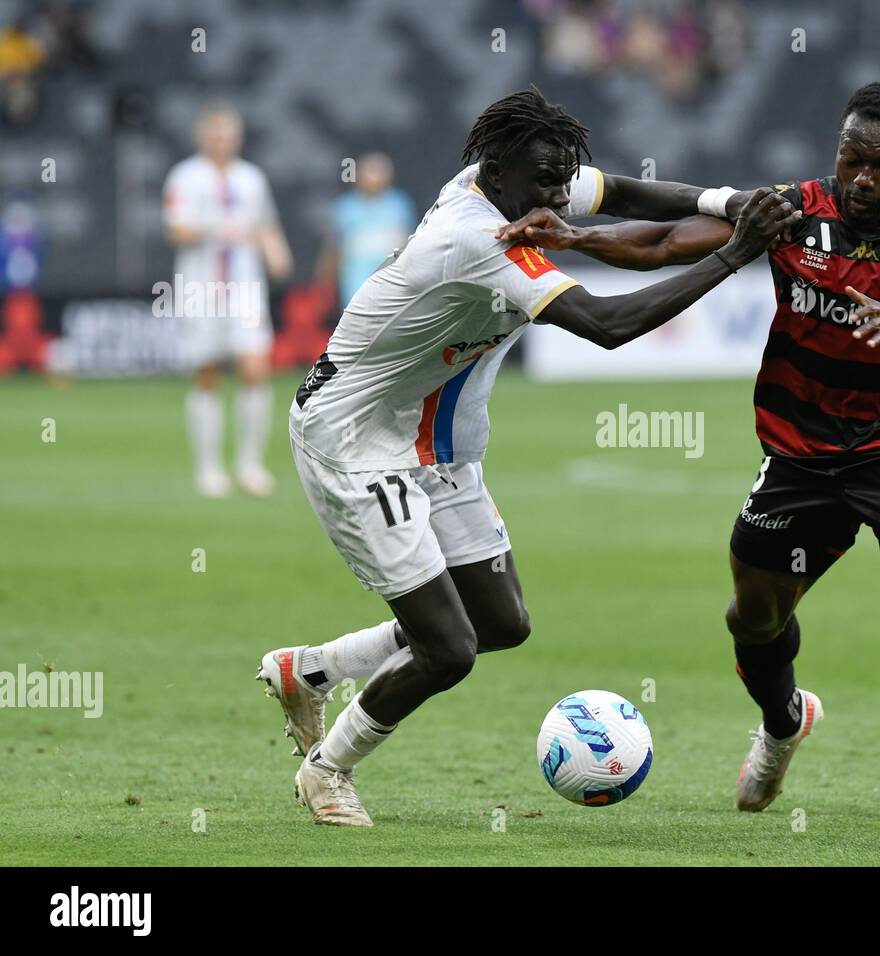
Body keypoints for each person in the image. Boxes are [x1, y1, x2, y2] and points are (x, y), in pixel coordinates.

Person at [501, 82, 880, 829]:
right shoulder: (793, 211)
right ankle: (782, 722)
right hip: (800, 459)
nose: (862, 178)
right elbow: (667, 242)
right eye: (851, 157)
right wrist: (574, 240)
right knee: (754, 622)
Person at [256, 86, 796, 826]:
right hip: (356, 442)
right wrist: (738, 251)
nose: (558, 196)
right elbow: (608, 324)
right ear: (495, 171)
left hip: (436, 443)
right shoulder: (476, 238)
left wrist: (729, 199)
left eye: (563, 179)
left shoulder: (525, 184)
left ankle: (307, 670)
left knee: (500, 622)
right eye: (544, 181)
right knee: (448, 649)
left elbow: (633, 191)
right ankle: (328, 770)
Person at [163, 101, 293, 496]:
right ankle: (209, 468)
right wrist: (217, 228)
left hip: (244, 287)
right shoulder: (184, 177)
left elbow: (265, 224)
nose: (222, 140)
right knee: (207, 372)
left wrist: (275, 252)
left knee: (255, 367)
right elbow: (177, 232)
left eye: (228, 132)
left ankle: (250, 465)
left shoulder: (251, 178)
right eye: (214, 132)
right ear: (202, 135)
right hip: (200, 285)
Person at [314, 152, 417, 308]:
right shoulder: (345, 207)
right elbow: (333, 248)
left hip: (393, 285)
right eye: (370, 171)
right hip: (355, 284)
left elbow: (411, 244)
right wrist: (324, 283)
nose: (374, 178)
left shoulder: (399, 205)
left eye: (379, 172)